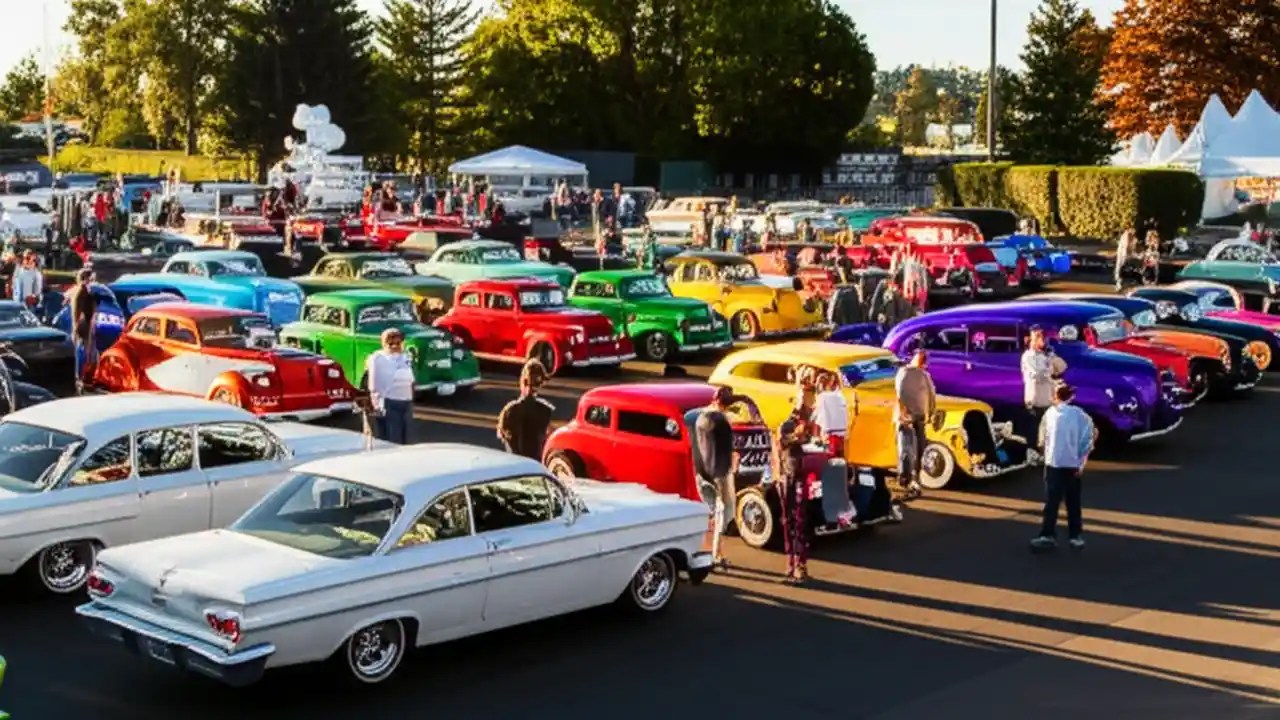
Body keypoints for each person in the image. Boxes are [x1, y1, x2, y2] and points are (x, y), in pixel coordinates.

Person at [1031, 384, 1097, 551]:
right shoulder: (1079, 415)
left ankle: (1048, 534)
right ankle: (1075, 536)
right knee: (1073, 501)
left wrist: (1043, 452)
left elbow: (1042, 438)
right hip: (1072, 464)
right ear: (1071, 397)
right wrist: (1081, 460)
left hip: (1053, 463)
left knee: (1052, 502)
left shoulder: (1049, 414)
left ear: (1055, 396)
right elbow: (1090, 436)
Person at [694, 386, 739, 571]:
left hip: (701, 472)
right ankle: (716, 554)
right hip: (720, 472)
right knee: (726, 512)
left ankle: (704, 550)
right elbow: (729, 446)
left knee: (711, 513)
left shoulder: (699, 417)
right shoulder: (721, 420)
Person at [777, 382, 815, 583]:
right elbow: (781, 441)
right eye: (804, 397)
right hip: (788, 475)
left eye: (809, 398)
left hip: (803, 475)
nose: (807, 402)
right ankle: (790, 564)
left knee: (801, 521)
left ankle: (801, 564)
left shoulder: (812, 421)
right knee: (788, 521)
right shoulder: (790, 422)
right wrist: (795, 436)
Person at [894, 349, 935, 497]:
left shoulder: (924, 375)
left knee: (920, 448)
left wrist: (930, 412)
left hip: (920, 416)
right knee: (907, 449)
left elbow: (931, 394)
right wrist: (904, 415)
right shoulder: (905, 373)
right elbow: (900, 395)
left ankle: (915, 476)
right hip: (907, 417)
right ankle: (905, 478)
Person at [1021, 325, 1067, 457]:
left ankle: (1045, 451)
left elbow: (1063, 367)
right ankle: (1032, 451)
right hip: (1035, 398)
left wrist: (1052, 357)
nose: (1040, 341)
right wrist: (1050, 374)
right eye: (1037, 338)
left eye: (1041, 338)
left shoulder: (1046, 356)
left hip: (1048, 398)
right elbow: (1036, 375)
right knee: (1035, 426)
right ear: (1030, 340)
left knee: (1048, 426)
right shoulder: (1028, 356)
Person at [365, 328, 415, 444]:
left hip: (405, 401)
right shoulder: (377, 358)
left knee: (405, 436)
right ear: (383, 343)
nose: (394, 346)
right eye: (390, 343)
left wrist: (412, 398)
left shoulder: (405, 357)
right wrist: (375, 403)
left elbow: (411, 379)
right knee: (391, 437)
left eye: (397, 343)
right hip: (387, 402)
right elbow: (373, 383)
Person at [497, 360, 554, 460]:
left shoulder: (509, 411)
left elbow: (504, 437)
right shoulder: (545, 411)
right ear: (540, 384)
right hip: (535, 465)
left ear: (522, 381)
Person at [66, 268, 98, 393]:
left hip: (82, 322)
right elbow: (77, 309)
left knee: (83, 351)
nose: (93, 280)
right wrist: (76, 325)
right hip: (84, 322)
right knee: (86, 352)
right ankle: (83, 378)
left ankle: (81, 377)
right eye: (91, 278)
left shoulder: (76, 290)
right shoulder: (84, 290)